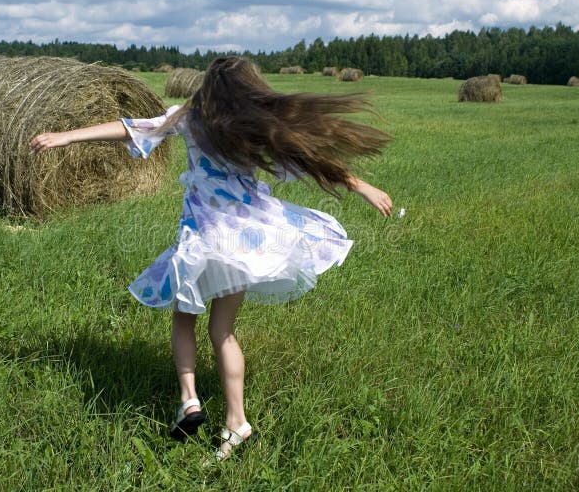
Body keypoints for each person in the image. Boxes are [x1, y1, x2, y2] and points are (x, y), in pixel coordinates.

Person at [30, 56, 393, 462]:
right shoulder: (252, 127)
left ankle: (189, 399)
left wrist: (66, 136)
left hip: (202, 241)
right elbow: (310, 157)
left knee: (184, 317)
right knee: (223, 332)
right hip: (244, 243)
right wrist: (361, 186)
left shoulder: (189, 118)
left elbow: (133, 128)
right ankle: (236, 421)